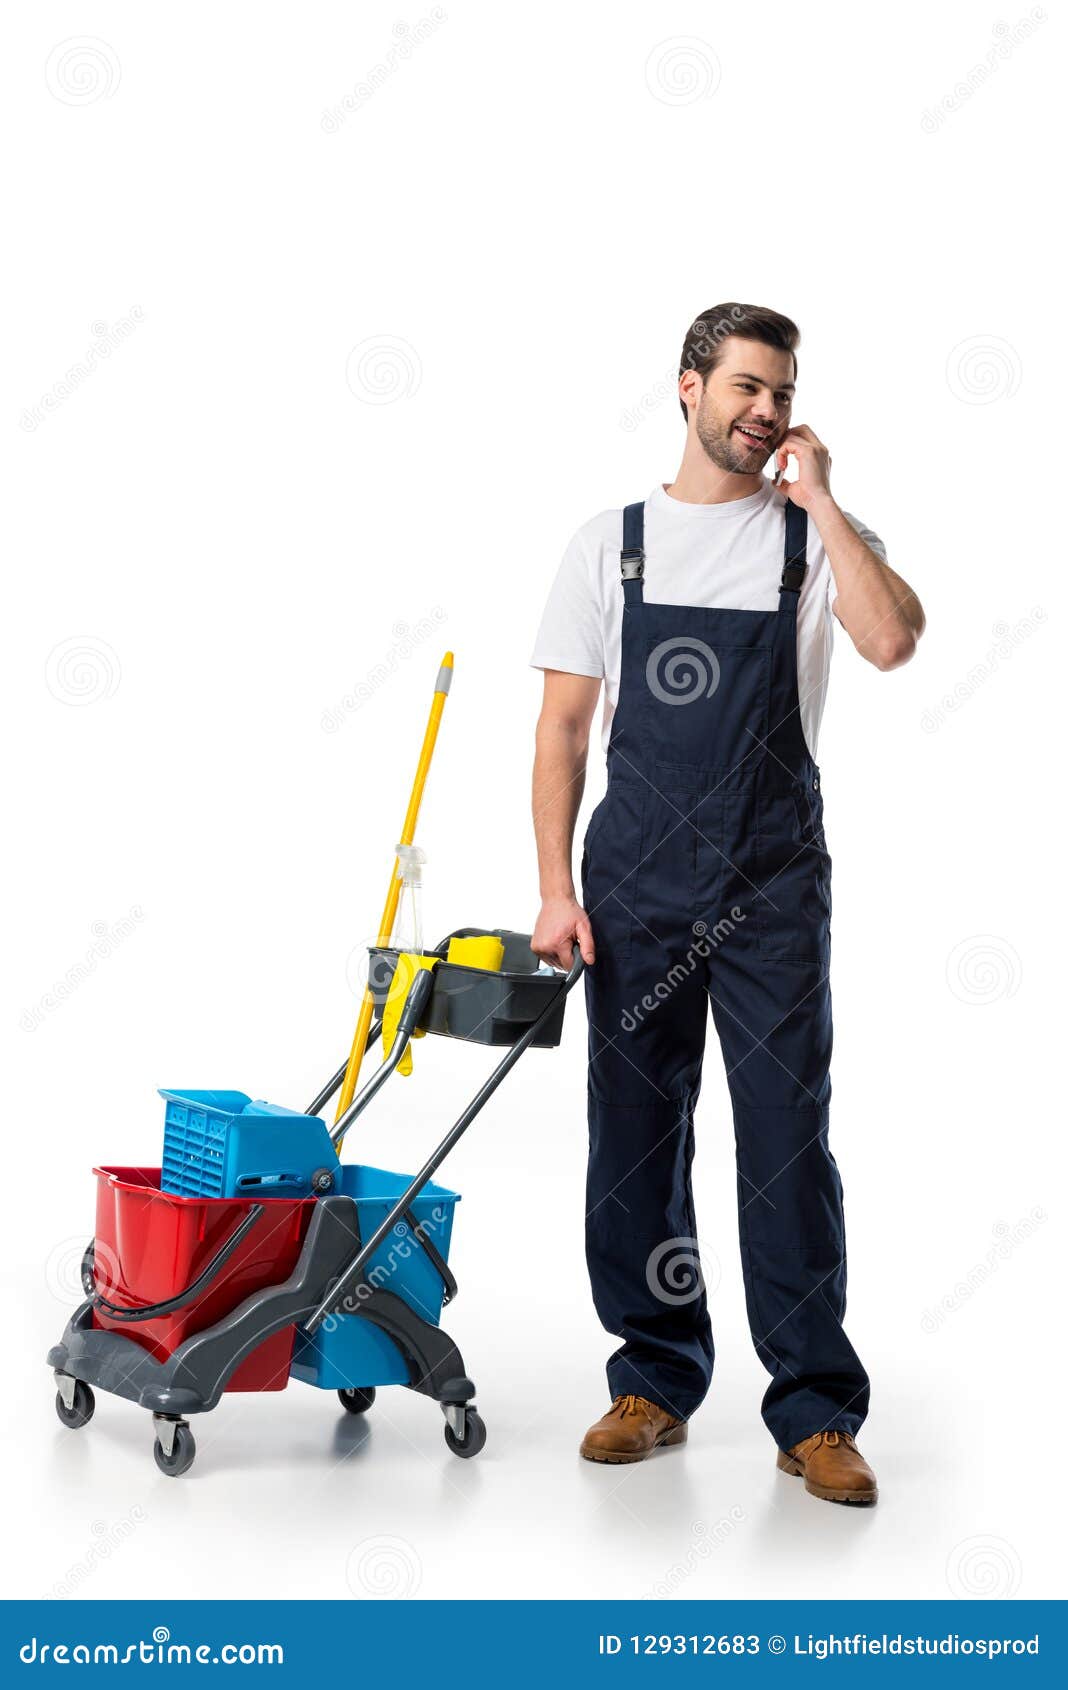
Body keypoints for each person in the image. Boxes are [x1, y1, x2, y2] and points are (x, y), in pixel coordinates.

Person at [529, 304, 924, 1506]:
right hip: (636, 886)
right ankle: (654, 1375)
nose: (766, 408)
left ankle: (813, 1409)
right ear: (690, 386)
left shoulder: (813, 542)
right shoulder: (614, 543)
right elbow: (561, 727)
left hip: (770, 888)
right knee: (636, 1145)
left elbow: (895, 641)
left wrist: (824, 505)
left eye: (782, 390)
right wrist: (555, 889)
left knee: (785, 1144)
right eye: (746, 385)